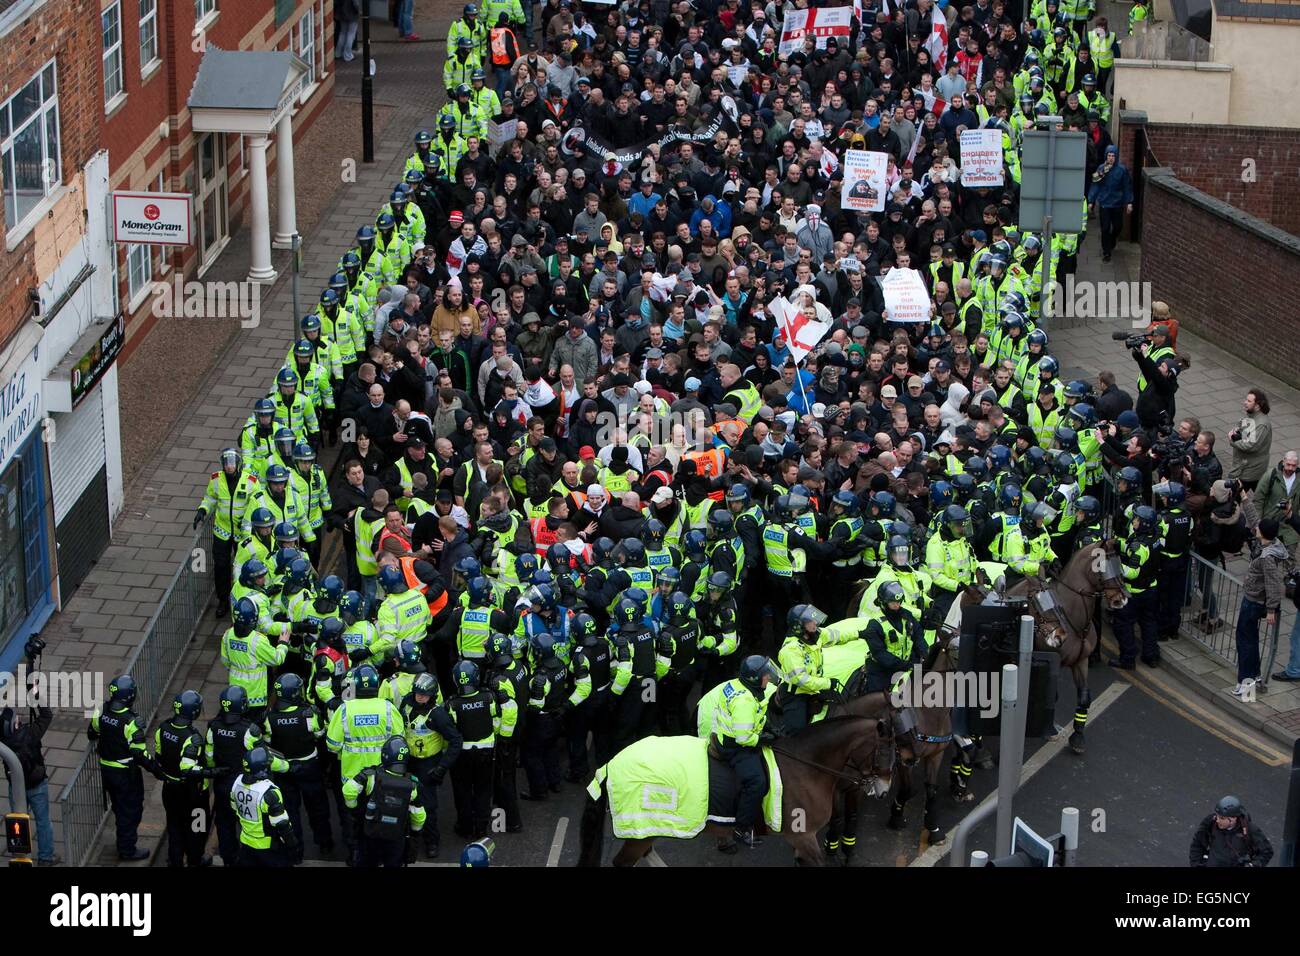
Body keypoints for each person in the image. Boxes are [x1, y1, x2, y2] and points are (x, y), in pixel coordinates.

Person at [704, 655, 781, 849]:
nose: (769, 678)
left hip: (728, 735)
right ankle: (742, 827)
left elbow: (754, 716)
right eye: (766, 676)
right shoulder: (744, 701)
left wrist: (767, 726)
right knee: (757, 782)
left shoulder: (741, 686)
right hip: (734, 747)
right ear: (755, 679)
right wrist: (763, 739)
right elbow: (744, 738)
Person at [0, 636, 57, 865]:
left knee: (19, 821)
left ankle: (20, 854)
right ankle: (46, 858)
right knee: (44, 823)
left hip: (17, 788)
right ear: (15, 724)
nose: (20, 717)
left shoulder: (4, 741)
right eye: (17, 718)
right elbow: (45, 715)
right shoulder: (30, 735)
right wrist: (33, 689)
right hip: (37, 784)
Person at [264, 673, 333, 860]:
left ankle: (296, 852)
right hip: (309, 767)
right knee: (318, 809)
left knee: (290, 812)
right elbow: (320, 735)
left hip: (284, 770)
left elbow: (267, 741)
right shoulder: (309, 713)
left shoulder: (269, 717)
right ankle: (325, 843)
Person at [87, 675, 156, 861]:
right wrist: (158, 771)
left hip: (107, 770)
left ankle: (123, 840)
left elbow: (92, 732)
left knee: (119, 808)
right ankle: (127, 850)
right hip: (126, 773)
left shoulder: (101, 711)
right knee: (131, 811)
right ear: (129, 696)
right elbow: (140, 754)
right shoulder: (132, 723)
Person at [343, 736, 429, 867]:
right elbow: (419, 816)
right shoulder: (412, 785)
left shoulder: (370, 776)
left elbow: (348, 791)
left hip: (370, 834)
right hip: (396, 838)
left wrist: (354, 810)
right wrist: (415, 833)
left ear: (385, 755)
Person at [154, 690, 213, 867]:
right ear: (193, 711)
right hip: (193, 794)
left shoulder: (163, 728)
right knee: (198, 827)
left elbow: (158, 757)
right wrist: (213, 772)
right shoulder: (192, 738)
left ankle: (175, 860)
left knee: (174, 826)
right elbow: (189, 770)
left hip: (169, 789)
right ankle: (196, 859)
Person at [445, 659, 499, 838]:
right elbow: (496, 722)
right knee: (483, 790)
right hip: (485, 752)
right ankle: (482, 827)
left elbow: (449, 734)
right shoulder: (488, 697)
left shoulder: (452, 705)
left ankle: (465, 826)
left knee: (463, 791)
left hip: (462, 756)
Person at [1234, 518, 1287, 698]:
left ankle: (1245, 685)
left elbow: (1274, 584)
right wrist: (1243, 496)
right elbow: (1255, 518)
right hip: (1254, 601)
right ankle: (1254, 678)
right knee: (1250, 641)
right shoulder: (1270, 543)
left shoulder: (1267, 558)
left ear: (1263, 533)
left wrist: (1271, 609)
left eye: (1258, 527)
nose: (1255, 527)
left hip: (1252, 603)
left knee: (1245, 643)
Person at [1109, 505, 1162, 670]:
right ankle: (1151, 656)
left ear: (1145, 524)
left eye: (1137, 519)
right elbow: (1132, 547)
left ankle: (1127, 659)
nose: (1134, 521)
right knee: (1149, 623)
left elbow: (1131, 572)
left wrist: (1113, 566)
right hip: (1151, 589)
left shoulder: (1139, 547)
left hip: (1133, 593)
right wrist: (1118, 543)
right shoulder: (1154, 538)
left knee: (1122, 625)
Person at [230, 746, 299, 867]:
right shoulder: (268, 792)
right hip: (268, 849)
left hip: (246, 844)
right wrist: (292, 845)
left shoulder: (237, 782)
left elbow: (235, 809)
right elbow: (282, 824)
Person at [1189, 796, 1272, 867]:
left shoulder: (1249, 830)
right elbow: (1197, 844)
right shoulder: (1210, 822)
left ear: (1233, 818)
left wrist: (1252, 865)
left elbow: (1266, 851)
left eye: (1222, 818)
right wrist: (1197, 864)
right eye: (1217, 816)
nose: (1217, 820)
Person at [1086, 145, 1132, 262]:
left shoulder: (1122, 170)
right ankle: (1106, 252)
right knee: (1105, 228)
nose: (1111, 158)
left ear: (1116, 157)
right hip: (1104, 204)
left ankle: (1111, 241)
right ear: (1106, 156)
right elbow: (1095, 184)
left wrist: (1129, 202)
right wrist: (1091, 201)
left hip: (1117, 204)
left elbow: (1127, 187)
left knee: (1118, 227)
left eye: (1113, 156)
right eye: (1109, 155)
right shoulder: (1101, 168)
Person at [1228, 389, 1272, 492]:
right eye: (1246, 399)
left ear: (1257, 405)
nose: (1245, 402)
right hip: (1244, 467)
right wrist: (1237, 433)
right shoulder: (1249, 417)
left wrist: (1232, 441)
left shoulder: (1261, 424)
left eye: (1249, 401)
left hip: (1249, 470)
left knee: (1234, 499)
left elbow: (1250, 445)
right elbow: (1244, 437)